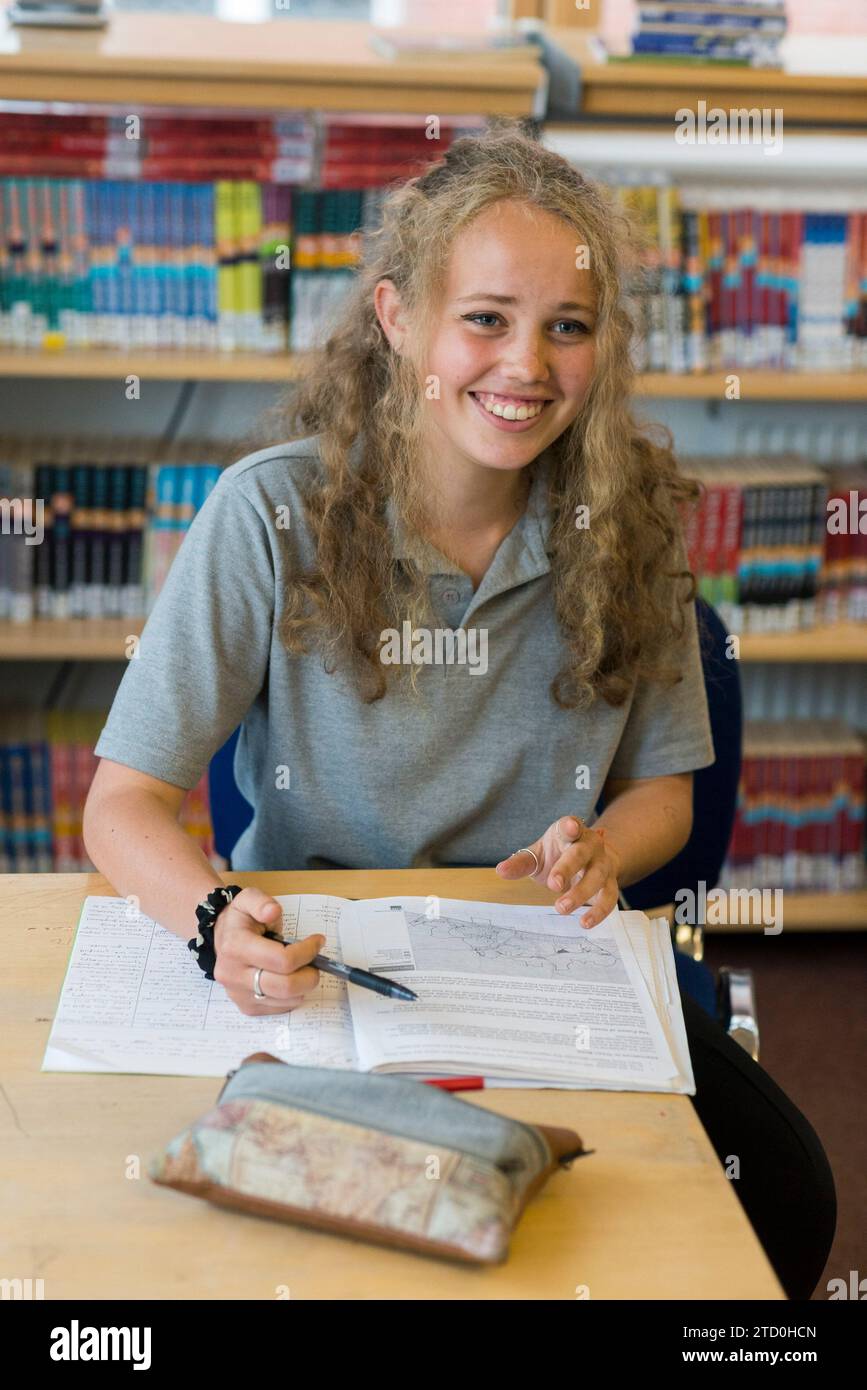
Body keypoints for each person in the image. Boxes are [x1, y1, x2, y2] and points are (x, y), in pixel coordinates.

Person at [83, 125, 834, 1298]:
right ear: (397, 319)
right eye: (485, 318)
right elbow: (121, 804)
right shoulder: (267, 515)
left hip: (541, 967)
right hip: (317, 968)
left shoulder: (626, 521)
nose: (525, 364)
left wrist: (603, 849)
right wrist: (210, 912)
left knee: (785, 1194)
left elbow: (665, 797)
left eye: (568, 327)